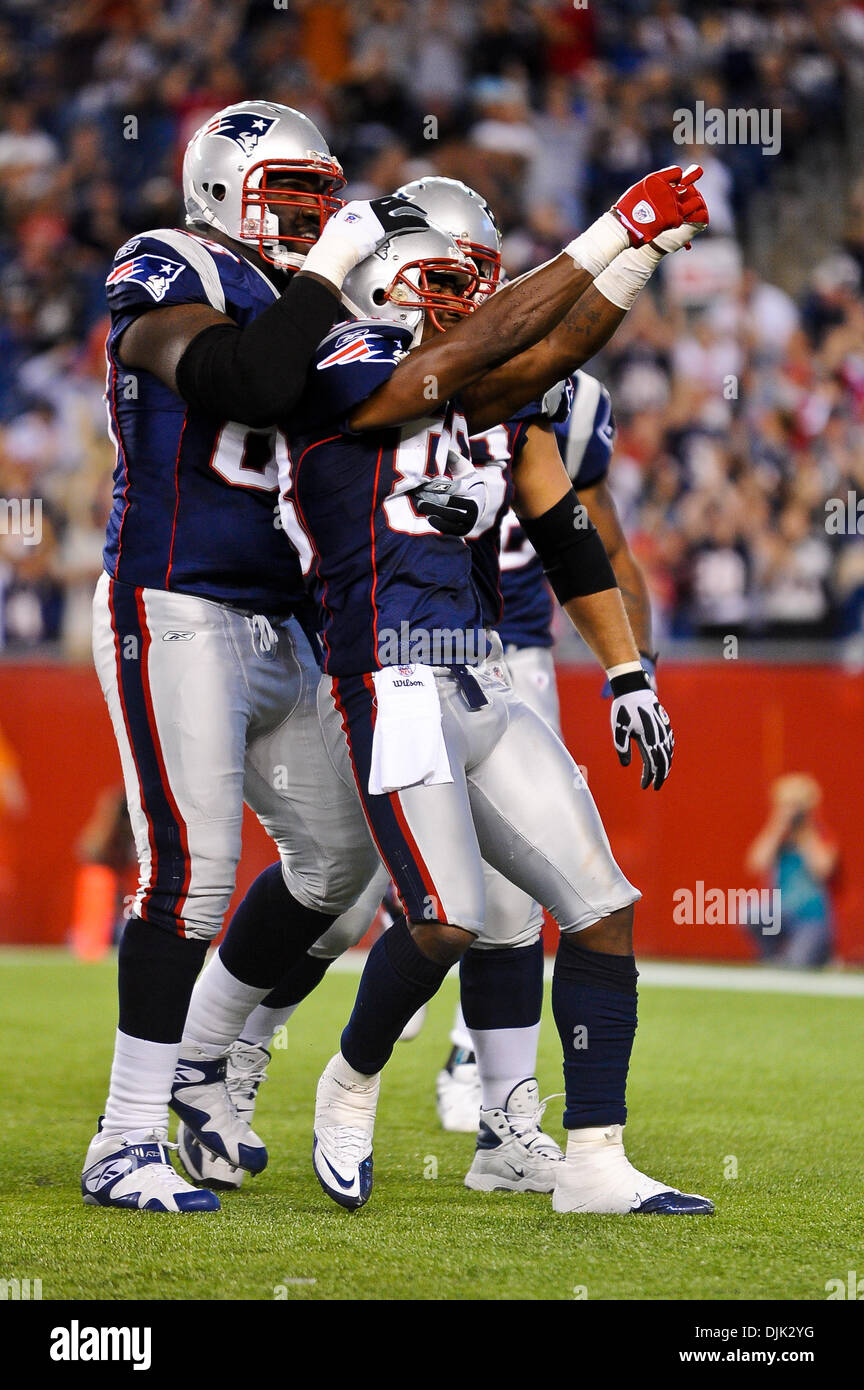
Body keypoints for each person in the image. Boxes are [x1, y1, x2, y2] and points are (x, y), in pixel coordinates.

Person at [175, 166, 714, 1217]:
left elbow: (553, 381)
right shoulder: (340, 363)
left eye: (475, 278)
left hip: (478, 678)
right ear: (382, 281)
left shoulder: (481, 395)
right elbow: (465, 361)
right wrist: (609, 229)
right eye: (442, 276)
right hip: (386, 679)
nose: (461, 297)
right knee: (446, 919)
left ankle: (594, 1161)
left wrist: (639, 253)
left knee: (602, 906)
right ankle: (350, 1078)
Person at [82, 99, 433, 1212]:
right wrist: (330, 274)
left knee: (342, 864)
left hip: (288, 622)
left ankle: (204, 1057)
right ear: (222, 192)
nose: (309, 220)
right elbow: (246, 384)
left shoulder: (318, 300)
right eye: (288, 198)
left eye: (322, 202)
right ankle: (124, 1138)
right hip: (175, 598)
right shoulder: (167, 262)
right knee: (191, 873)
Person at [745, 774, 837, 968]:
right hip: (781, 913)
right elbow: (756, 863)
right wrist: (777, 827)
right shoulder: (779, 838)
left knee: (797, 966)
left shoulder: (820, 835)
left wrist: (806, 835)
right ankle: (770, 955)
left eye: (796, 806)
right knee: (750, 913)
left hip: (812, 918)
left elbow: (823, 870)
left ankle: (821, 955)